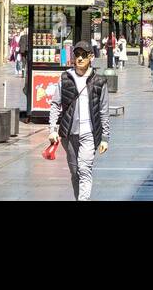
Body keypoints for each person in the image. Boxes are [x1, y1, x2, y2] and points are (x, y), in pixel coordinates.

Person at [47, 41, 110, 202]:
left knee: (84, 168)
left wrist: (105, 138)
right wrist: (53, 129)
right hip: (69, 133)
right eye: (77, 55)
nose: (80, 58)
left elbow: (103, 111)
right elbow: (55, 104)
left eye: (84, 55)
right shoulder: (65, 78)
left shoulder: (99, 81)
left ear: (91, 57)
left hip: (89, 132)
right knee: (75, 171)